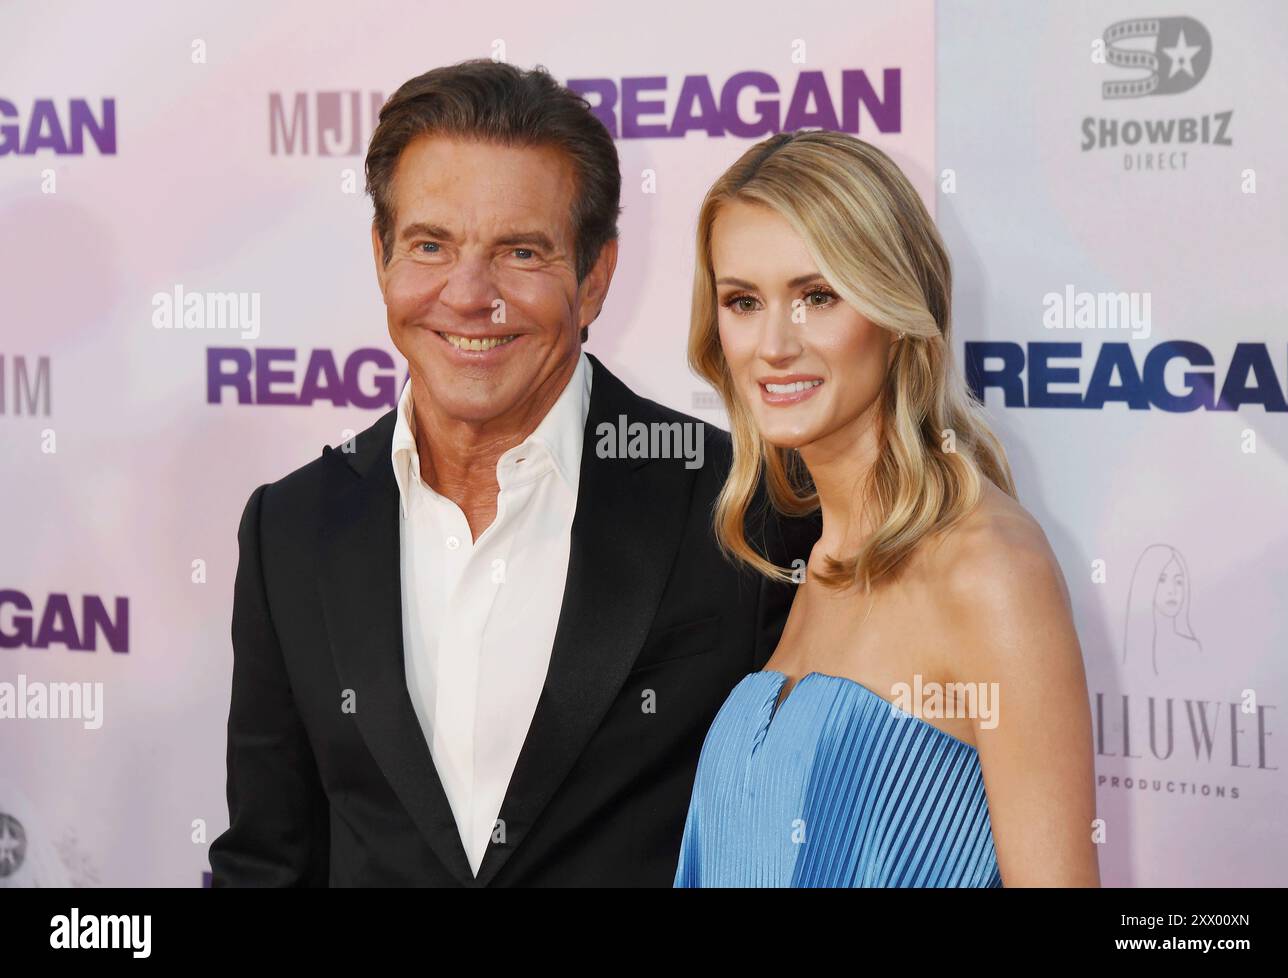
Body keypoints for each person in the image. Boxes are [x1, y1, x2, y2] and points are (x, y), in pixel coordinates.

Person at [208, 60, 815, 887]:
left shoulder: (740, 505)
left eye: (520, 252)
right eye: (430, 245)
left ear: (595, 277)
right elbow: (269, 865)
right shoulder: (291, 530)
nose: (469, 296)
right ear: (381, 257)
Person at [673, 130, 1100, 887]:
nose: (773, 344)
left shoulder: (988, 569)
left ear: (896, 308)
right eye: (743, 301)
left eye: (817, 297)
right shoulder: (816, 560)